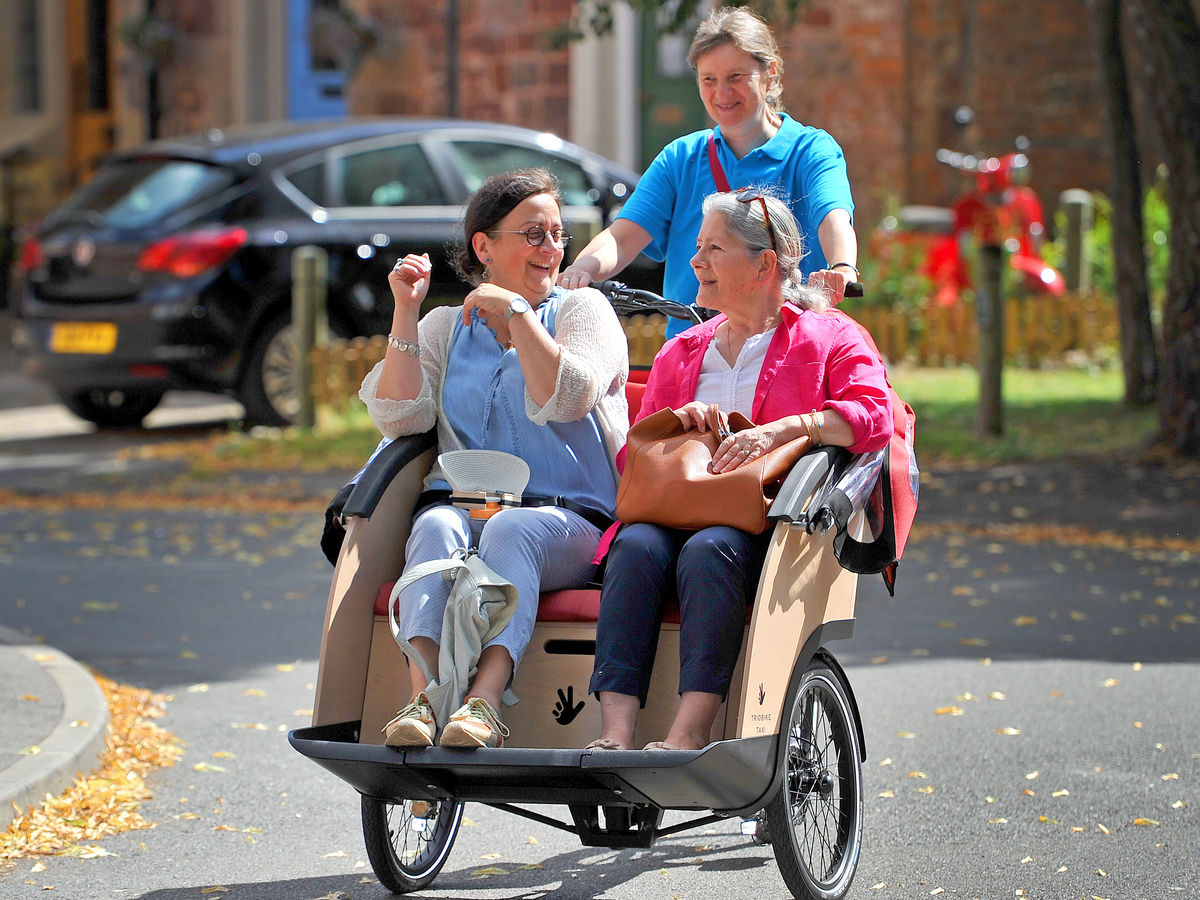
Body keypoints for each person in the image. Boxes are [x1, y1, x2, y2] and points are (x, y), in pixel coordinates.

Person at [586, 189, 891, 751]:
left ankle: (690, 729)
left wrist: (789, 426)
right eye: (696, 247)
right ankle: (615, 733)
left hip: (775, 527)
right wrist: (681, 424)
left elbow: (874, 419)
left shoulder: (830, 336)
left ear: (764, 264)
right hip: (674, 512)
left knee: (709, 550)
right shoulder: (683, 351)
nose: (695, 262)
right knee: (634, 548)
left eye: (713, 249)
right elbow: (637, 459)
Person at [360, 168, 629, 749]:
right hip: (462, 510)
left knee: (512, 529)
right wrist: (406, 312)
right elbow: (401, 417)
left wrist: (518, 316)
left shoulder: (583, 311)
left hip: (570, 524)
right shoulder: (443, 326)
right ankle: (425, 696)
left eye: (559, 235)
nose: (552, 249)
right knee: (432, 524)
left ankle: (484, 700)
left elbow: (568, 397)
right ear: (485, 246)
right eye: (534, 234)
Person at [559, 5, 859, 336]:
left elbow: (833, 218)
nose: (722, 93)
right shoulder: (680, 158)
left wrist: (842, 266)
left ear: (771, 72)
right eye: (709, 79)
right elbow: (622, 237)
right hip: (695, 350)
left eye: (736, 77)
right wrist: (583, 269)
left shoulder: (810, 150)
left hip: (786, 346)